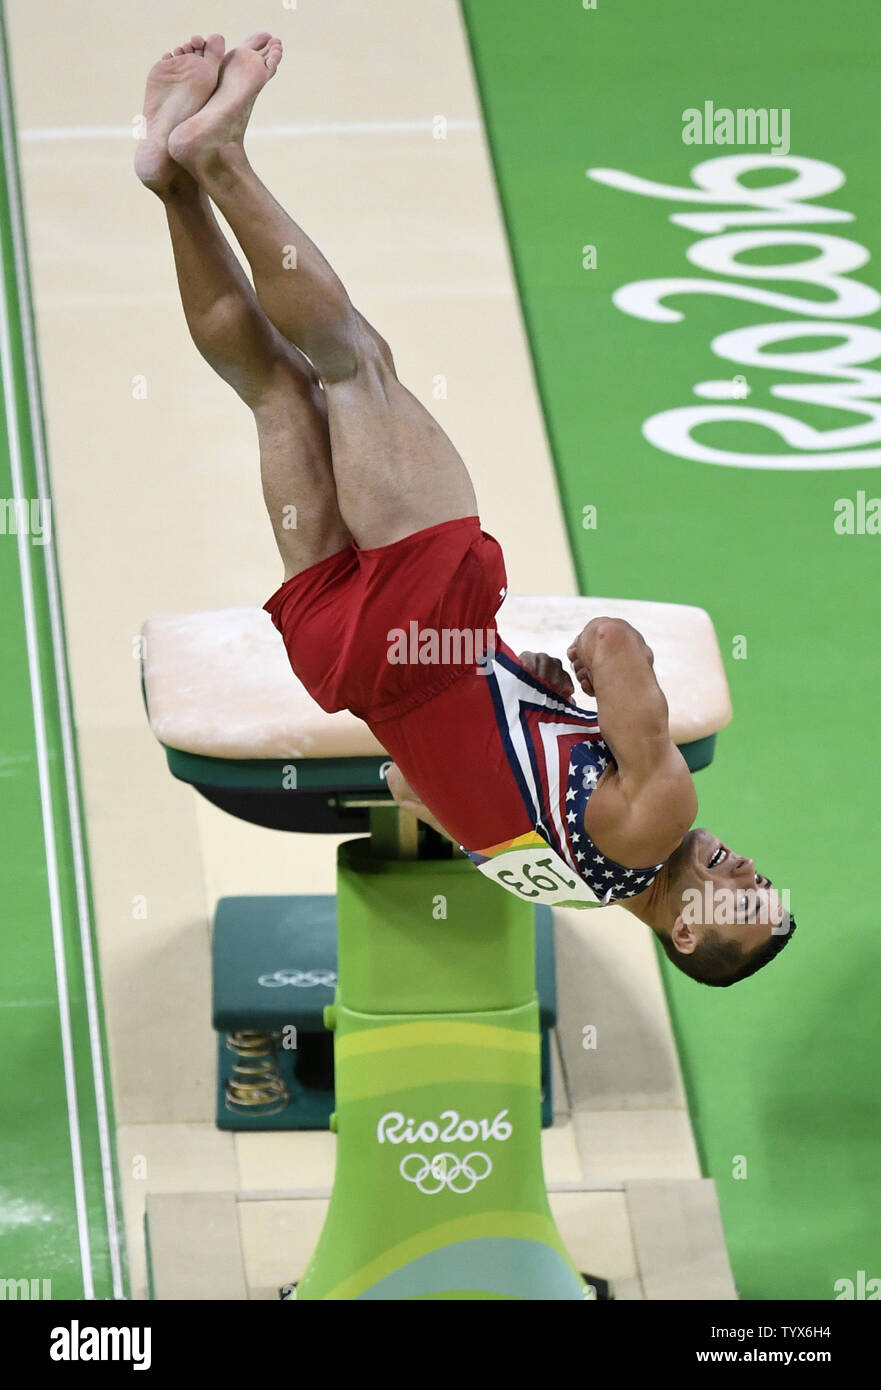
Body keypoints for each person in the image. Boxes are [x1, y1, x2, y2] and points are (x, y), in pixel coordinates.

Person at [136, 32, 795, 987]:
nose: (736, 867)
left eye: (736, 897)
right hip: (343, 662)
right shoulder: (554, 888)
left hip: (422, 623)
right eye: (759, 875)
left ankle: (218, 157)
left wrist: (578, 691)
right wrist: (516, 692)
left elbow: (610, 639)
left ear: (684, 936)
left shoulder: (663, 818)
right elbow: (407, 780)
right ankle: (168, 181)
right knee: (275, 396)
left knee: (353, 364)